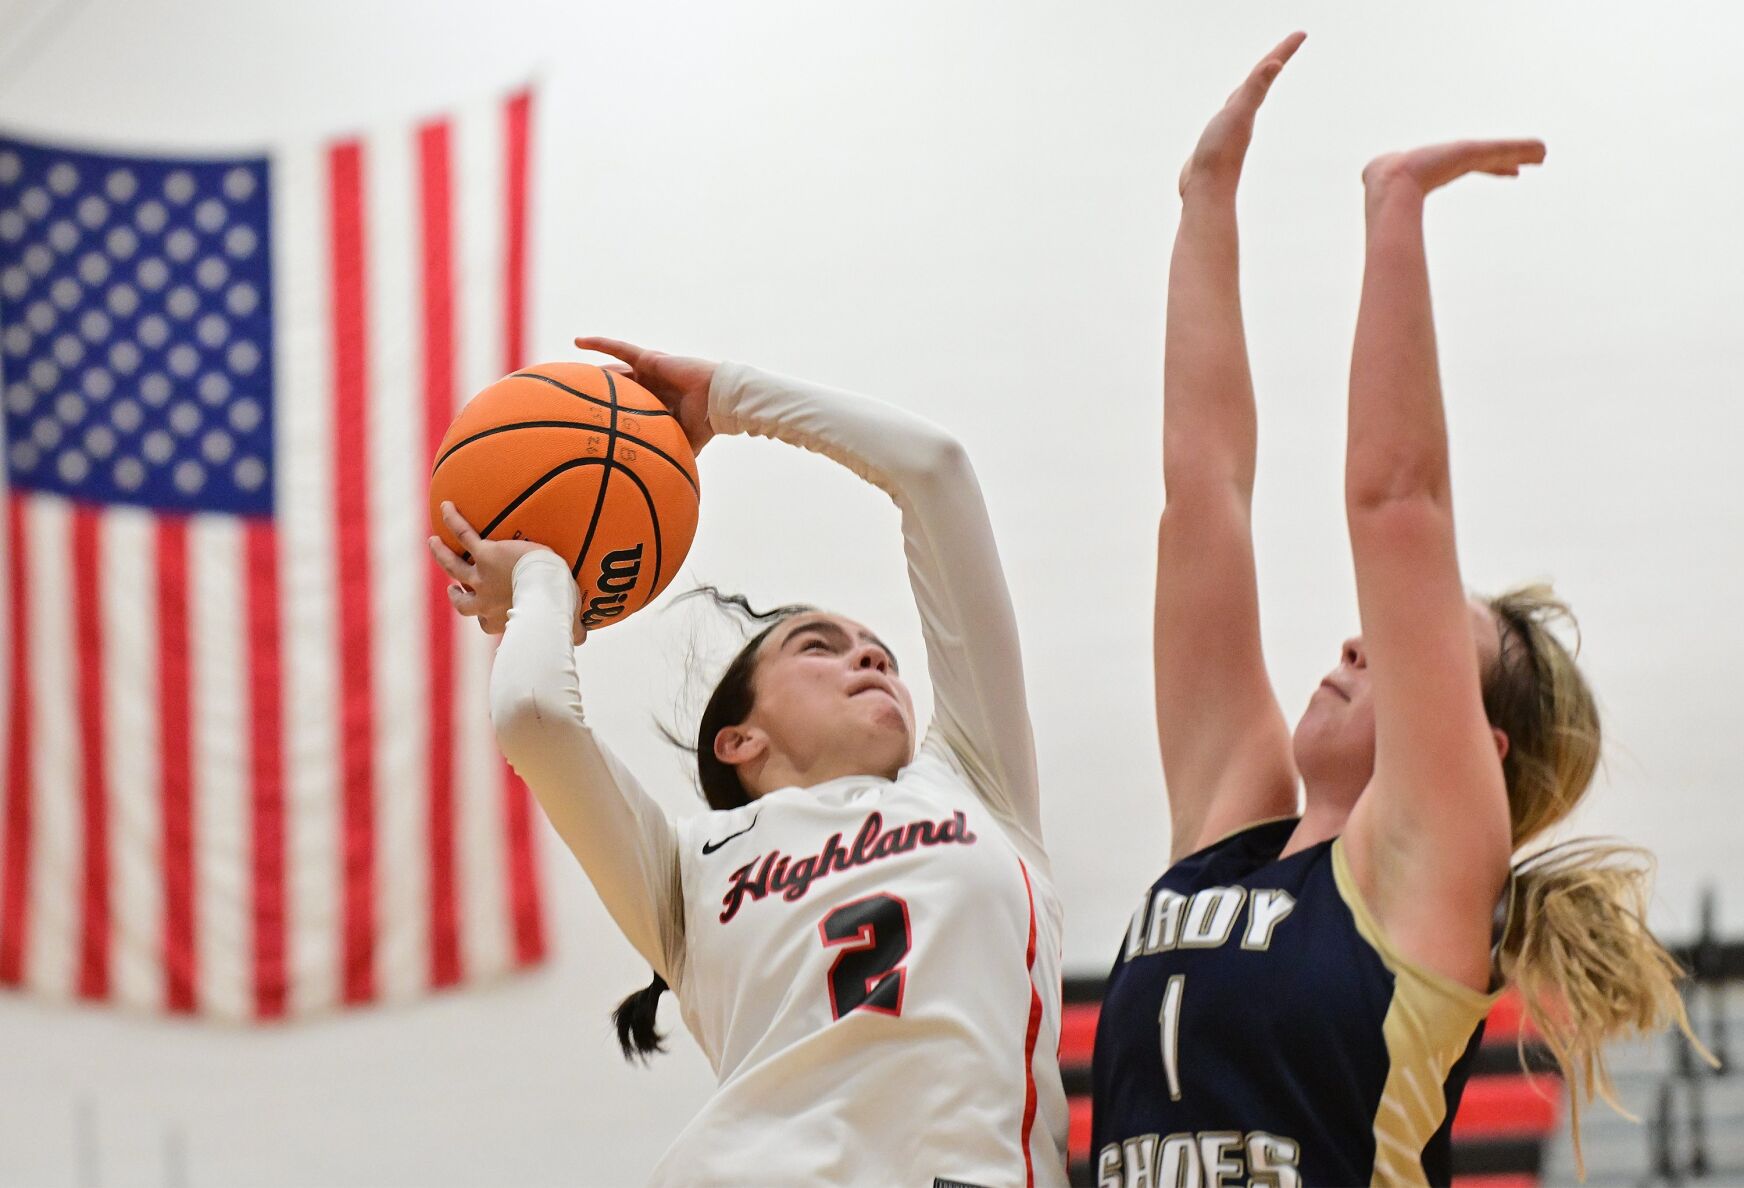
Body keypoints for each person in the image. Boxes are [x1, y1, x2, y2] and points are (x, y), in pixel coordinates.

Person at [1090, 34, 1708, 1186]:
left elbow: (1397, 505)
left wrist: (1396, 205)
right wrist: (1206, 203)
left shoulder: (1418, 877)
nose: (1357, 637)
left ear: (1474, 749)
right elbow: (1203, 491)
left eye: (1415, 649)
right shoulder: (1228, 837)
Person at [429, 337, 1068, 1186]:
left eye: (881, 654)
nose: (869, 659)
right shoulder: (687, 870)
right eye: (821, 647)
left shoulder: (975, 784)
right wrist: (547, 583)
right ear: (739, 740)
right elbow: (534, 714)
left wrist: (731, 397)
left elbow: (936, 471)